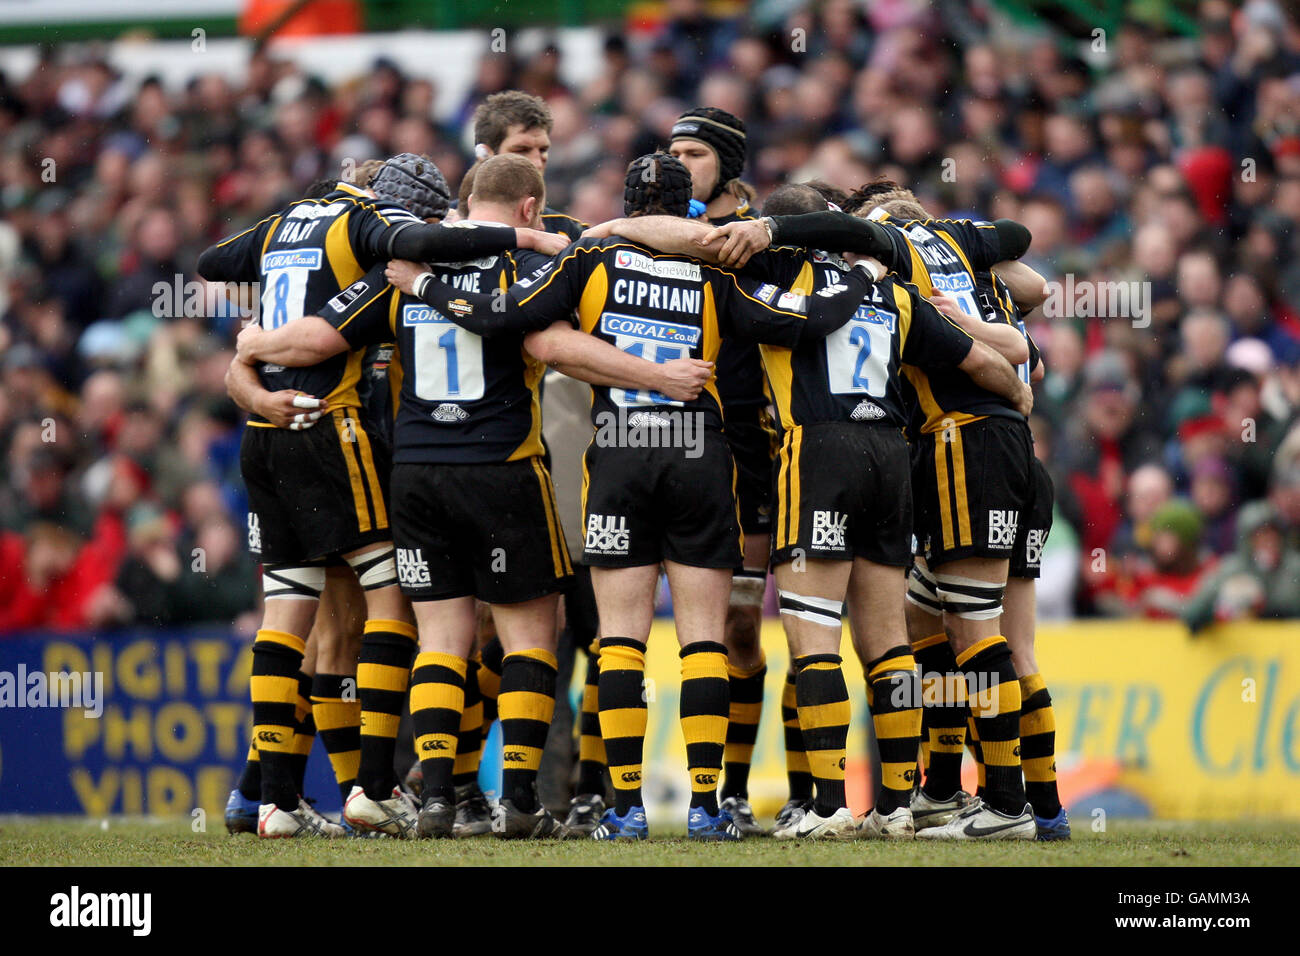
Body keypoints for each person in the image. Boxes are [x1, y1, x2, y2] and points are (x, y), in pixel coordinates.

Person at [386, 152, 877, 841]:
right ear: (691, 211)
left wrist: (426, 289)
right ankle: (707, 806)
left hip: (617, 453)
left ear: (624, 205)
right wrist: (862, 275)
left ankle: (623, 808)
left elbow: (513, 322)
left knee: (620, 642)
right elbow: (804, 317)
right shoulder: (717, 270)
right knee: (705, 638)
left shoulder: (590, 258)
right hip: (701, 456)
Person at [238, 153, 711, 838]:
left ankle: (433, 798)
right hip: (504, 468)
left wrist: (255, 346)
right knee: (528, 637)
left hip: (418, 474)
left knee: (441, 642)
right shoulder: (533, 263)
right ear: (528, 210)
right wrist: (656, 373)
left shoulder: (400, 271)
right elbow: (551, 345)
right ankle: (519, 801)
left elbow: (319, 337)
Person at [601, 182, 1030, 839]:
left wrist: (608, 231)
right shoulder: (888, 285)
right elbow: (978, 357)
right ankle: (893, 808)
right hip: (890, 456)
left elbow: (691, 242)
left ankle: (828, 806)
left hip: (817, 449)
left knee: (813, 634)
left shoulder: (763, 270)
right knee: (888, 644)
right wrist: (1019, 393)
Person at [198, 155, 568, 838]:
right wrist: (532, 244)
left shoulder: (297, 236)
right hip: (357, 444)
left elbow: (218, 277)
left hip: (296, 440)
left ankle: (274, 795)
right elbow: (326, 333)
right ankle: (380, 787)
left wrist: (251, 361)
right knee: (396, 618)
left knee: (316, 628)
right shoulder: (387, 251)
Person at [668, 105, 771, 836]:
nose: (678, 166)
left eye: (694, 154)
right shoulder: (656, 231)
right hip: (662, 450)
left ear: (728, 167)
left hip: (751, 459)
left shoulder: (768, 241)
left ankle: (731, 788)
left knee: (739, 629)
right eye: (670, 153)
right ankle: (604, 792)